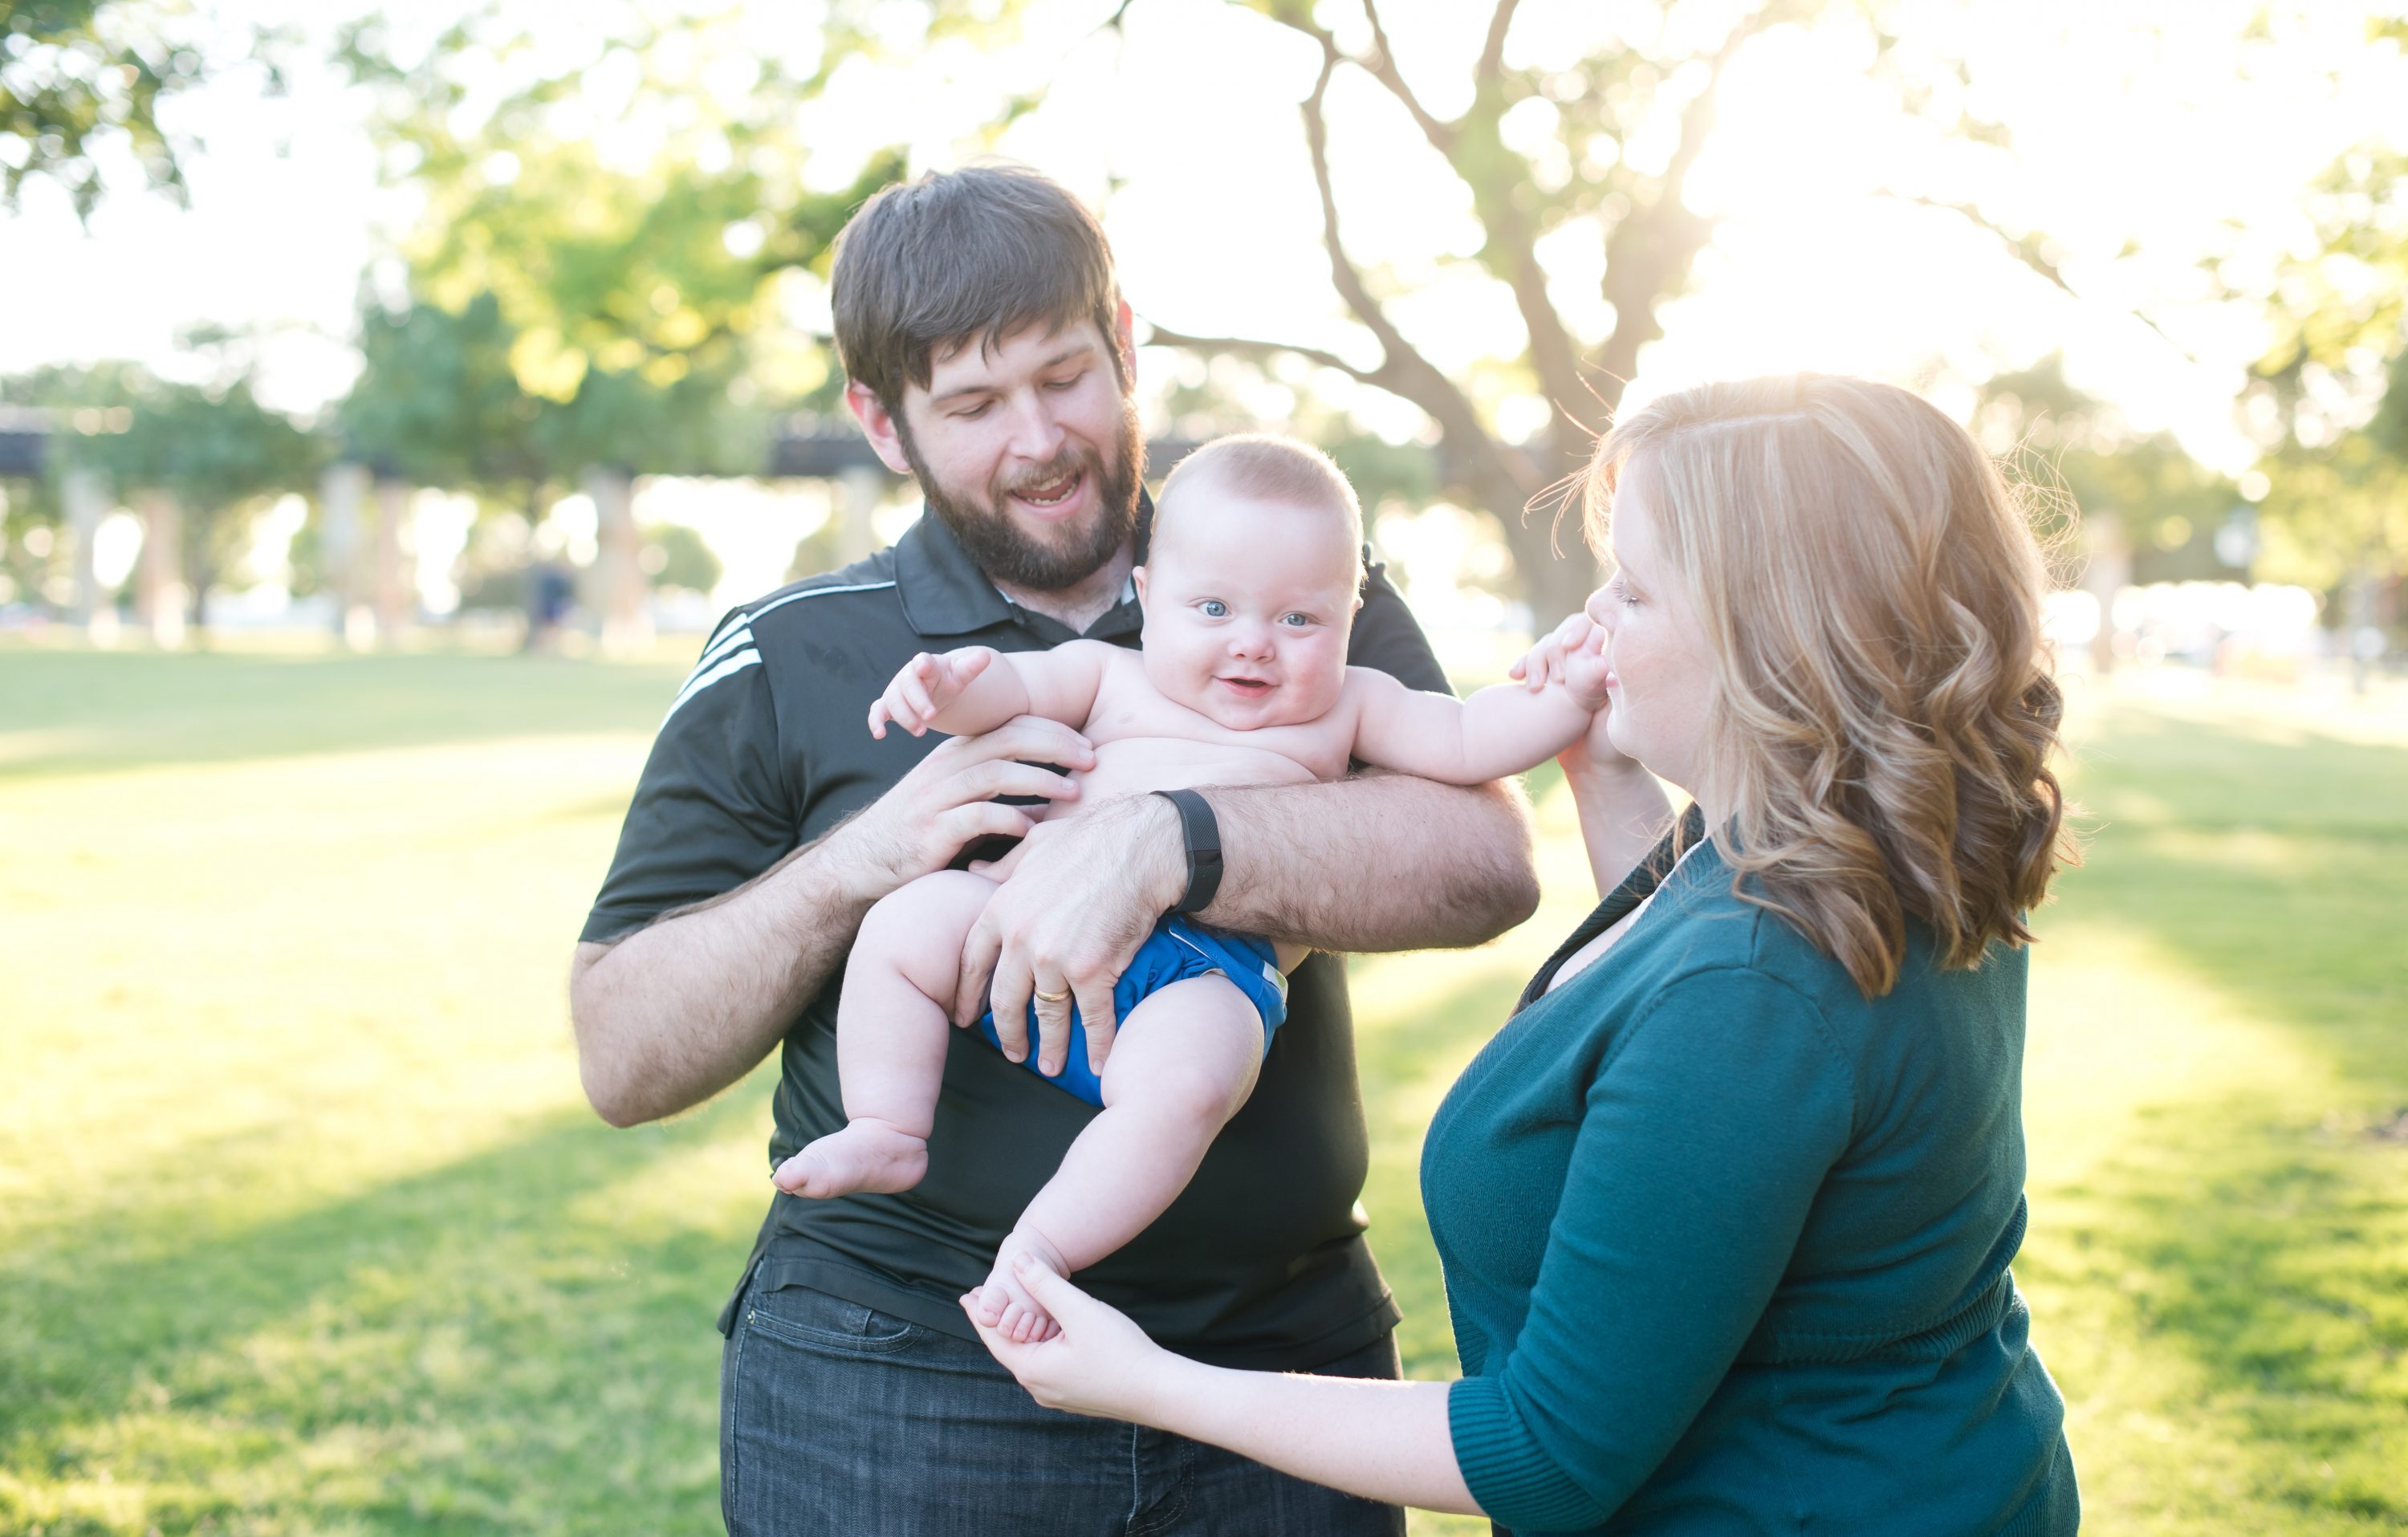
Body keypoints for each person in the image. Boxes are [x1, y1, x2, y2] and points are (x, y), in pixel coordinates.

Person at [568, 165, 1574, 1537]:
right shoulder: (792, 647)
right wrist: (870, 857)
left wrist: (1179, 840)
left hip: (1273, 1367)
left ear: (1127, 344)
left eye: (1065, 377)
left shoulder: (1286, 574)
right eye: (976, 406)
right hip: (899, 1375)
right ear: (881, 420)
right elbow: (624, 1055)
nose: (1040, 439)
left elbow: (1482, 864)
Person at [966, 372, 2085, 1536]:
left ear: (1775, 633)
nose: (1597, 617)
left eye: (1638, 589)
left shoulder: (1761, 982)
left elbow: (1547, 1449)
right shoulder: (1864, 854)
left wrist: (1149, 1381)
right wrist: (1600, 767)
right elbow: (1689, 1003)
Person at [778, 434, 1613, 1345]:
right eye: (1213, 607)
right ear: (1147, 598)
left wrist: (1563, 691)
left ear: (1351, 610)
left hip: (1204, 970)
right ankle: (889, 1122)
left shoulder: (1355, 704)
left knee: (1184, 1088)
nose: (1252, 643)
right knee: (904, 927)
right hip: (1021, 921)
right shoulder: (1109, 674)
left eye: (1300, 620)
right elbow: (1010, 689)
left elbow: (1467, 740)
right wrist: (947, 688)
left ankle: (1041, 1250)